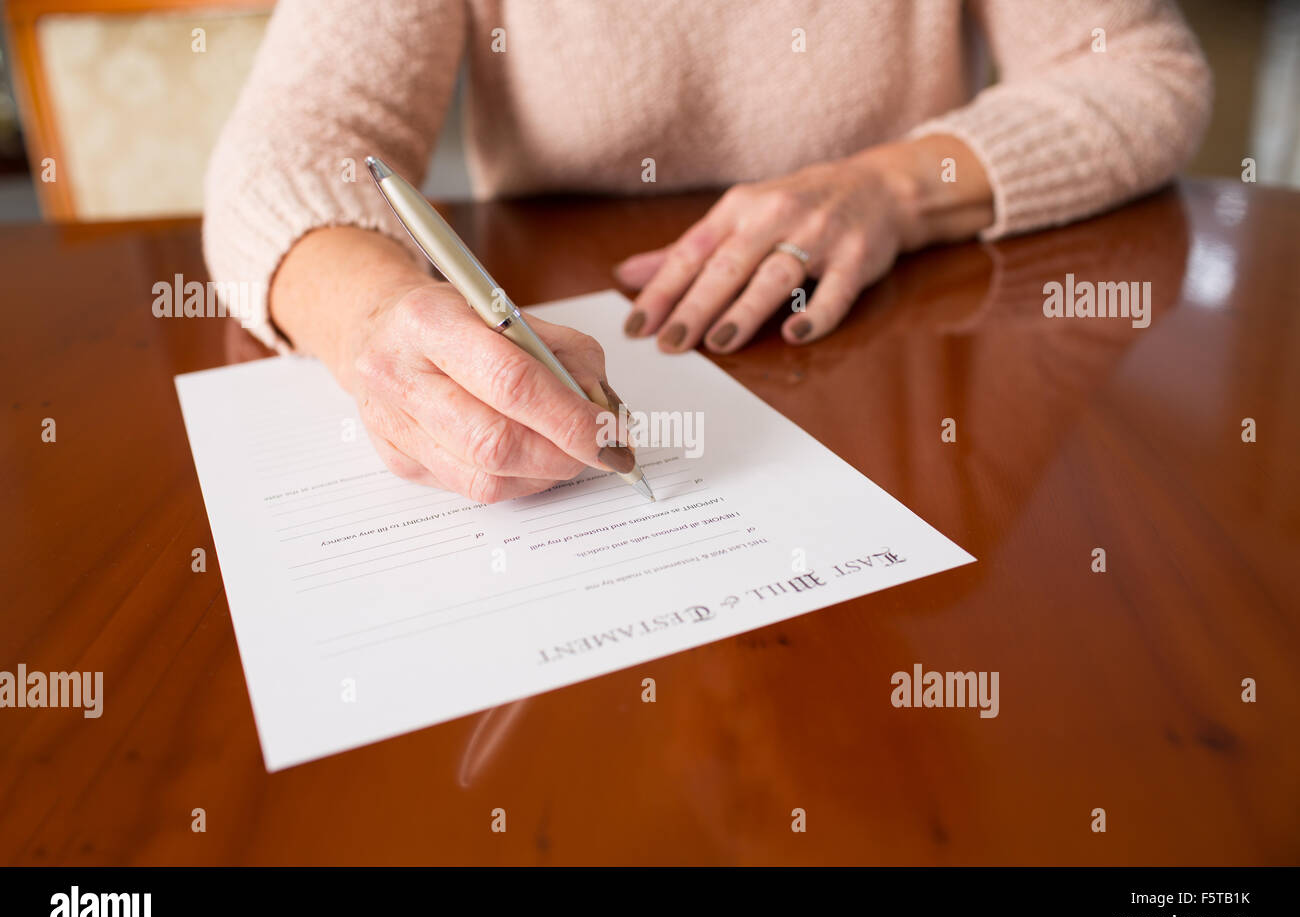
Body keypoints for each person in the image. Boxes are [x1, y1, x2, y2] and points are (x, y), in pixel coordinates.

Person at [204, 0, 1211, 503]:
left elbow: (1139, 68)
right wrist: (375, 316)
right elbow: (290, 149)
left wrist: (894, 185)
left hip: (888, 370)